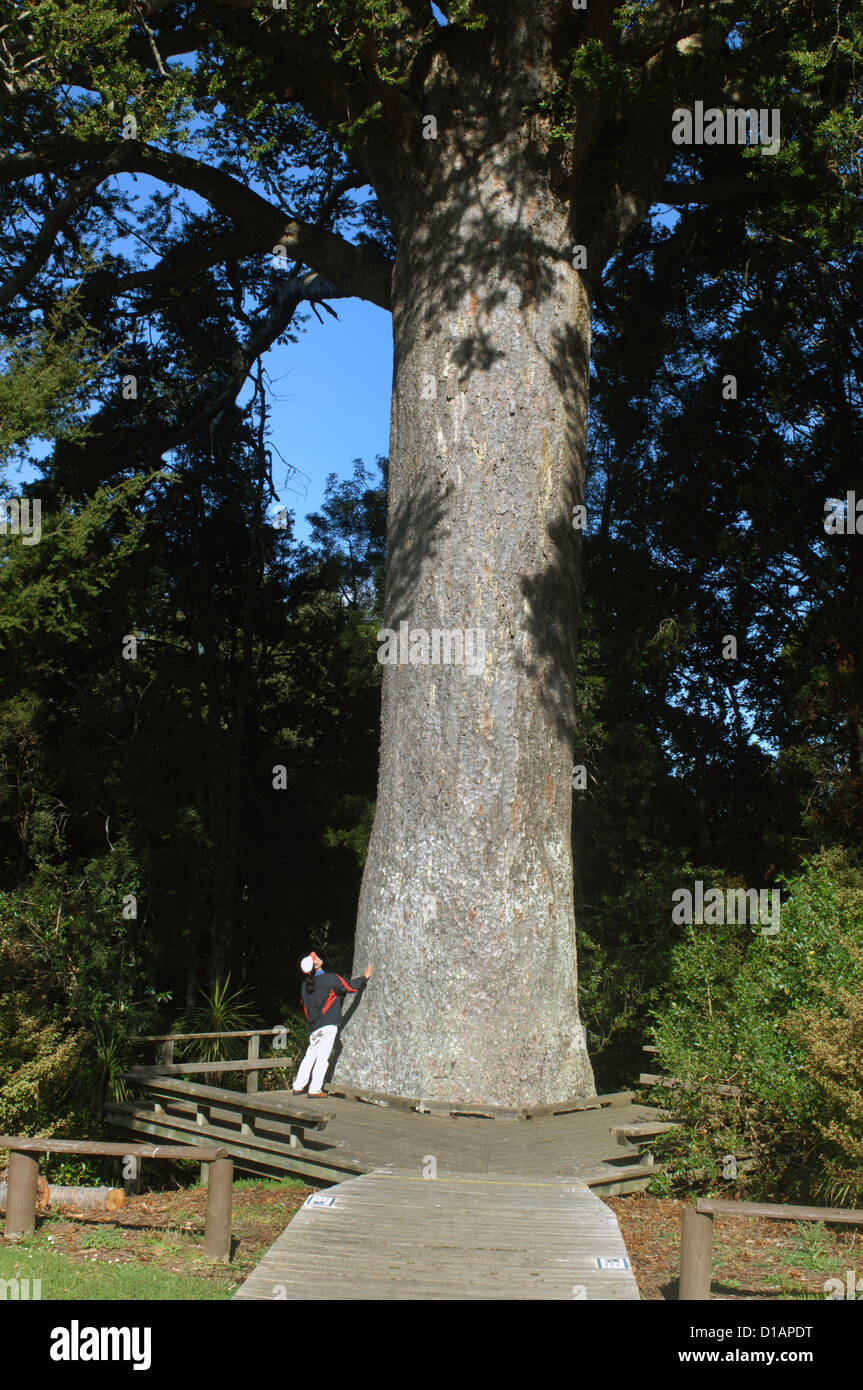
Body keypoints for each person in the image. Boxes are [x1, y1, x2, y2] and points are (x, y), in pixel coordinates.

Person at [292, 951, 373, 1097]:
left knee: (310, 1056)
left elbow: (304, 1006)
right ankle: (315, 1089)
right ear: (315, 965)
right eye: (314, 957)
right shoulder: (330, 979)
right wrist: (364, 978)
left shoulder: (305, 985)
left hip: (314, 1026)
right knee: (322, 1057)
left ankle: (298, 1085)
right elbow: (350, 987)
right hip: (328, 1025)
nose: (316, 955)